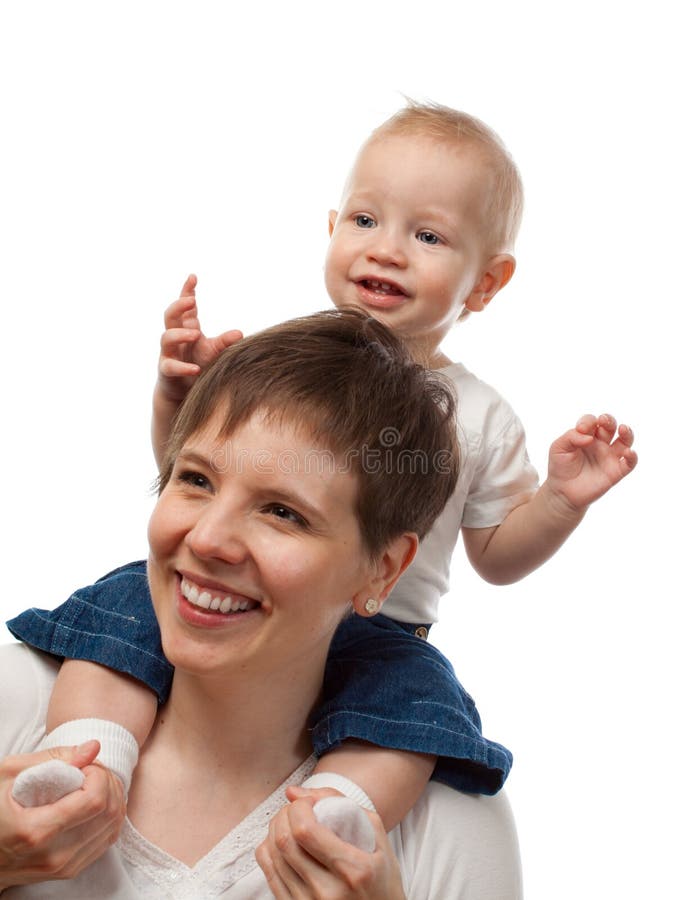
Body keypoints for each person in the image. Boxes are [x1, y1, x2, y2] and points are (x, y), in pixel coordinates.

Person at [7, 102, 637, 837]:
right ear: (331, 226)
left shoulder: (479, 416)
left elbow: (496, 557)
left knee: (415, 720)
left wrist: (560, 501)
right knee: (114, 629)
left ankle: (336, 817)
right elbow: (186, 472)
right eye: (364, 221)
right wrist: (176, 396)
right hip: (233, 594)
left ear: (486, 282)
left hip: (386, 630)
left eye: (427, 235)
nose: (386, 250)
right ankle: (86, 761)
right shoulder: (280, 363)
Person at [0, 309, 522, 898]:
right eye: (196, 479)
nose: (206, 540)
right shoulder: (16, 703)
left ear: (383, 569)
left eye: (283, 513)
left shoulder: (446, 825)